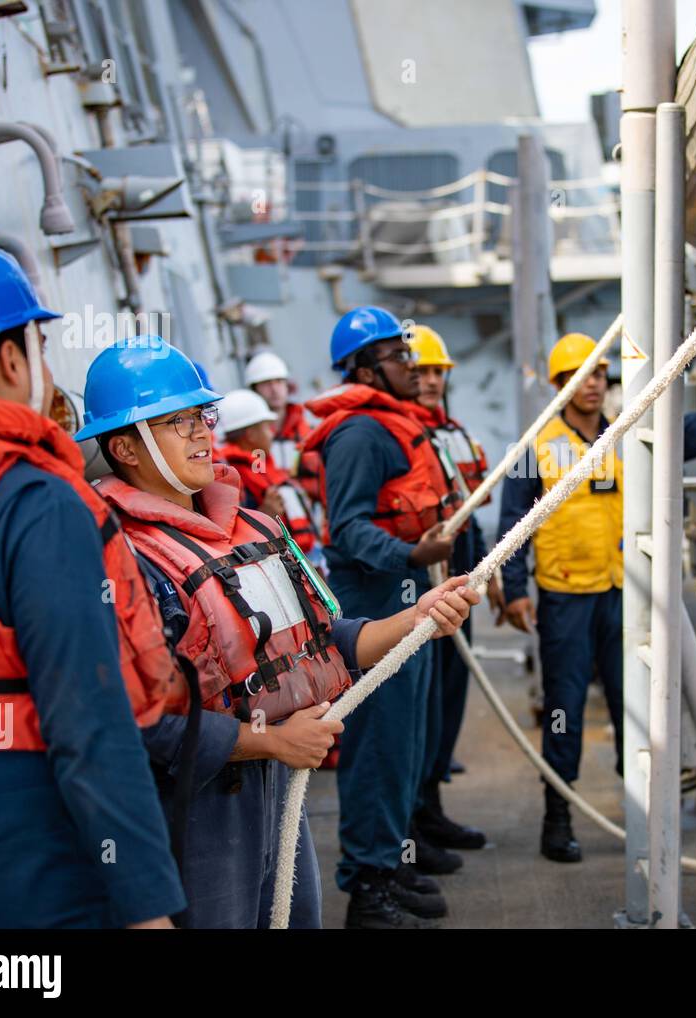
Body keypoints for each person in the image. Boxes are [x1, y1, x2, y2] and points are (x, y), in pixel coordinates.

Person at [76, 336, 478, 929]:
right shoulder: (121, 559)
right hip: (197, 808)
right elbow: (138, 725)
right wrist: (270, 742)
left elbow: (324, 637)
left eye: (199, 416)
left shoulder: (257, 525)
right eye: (174, 421)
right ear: (124, 448)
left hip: (277, 790)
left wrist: (417, 620)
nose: (197, 432)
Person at [0, 239, 188, 928]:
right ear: (11, 358)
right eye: (38, 345)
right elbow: (90, 729)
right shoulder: (35, 502)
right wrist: (148, 907)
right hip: (35, 857)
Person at [496, 332, 696, 863]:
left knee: (632, 703)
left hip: (622, 595)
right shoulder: (534, 450)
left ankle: (640, 812)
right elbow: (511, 524)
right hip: (565, 598)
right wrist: (515, 591)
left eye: (598, 374)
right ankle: (559, 817)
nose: (591, 384)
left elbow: (694, 431)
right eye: (579, 375)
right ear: (559, 384)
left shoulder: (628, 433)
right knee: (564, 709)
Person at [301, 306, 466, 929]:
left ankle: (391, 861)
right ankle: (367, 888)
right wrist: (410, 553)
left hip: (406, 598)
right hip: (373, 604)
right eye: (400, 356)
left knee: (408, 742)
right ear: (367, 368)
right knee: (377, 749)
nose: (412, 365)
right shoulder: (359, 435)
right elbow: (346, 529)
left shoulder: (395, 425)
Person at [408, 324, 505, 850]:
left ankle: (432, 801)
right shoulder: (402, 434)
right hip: (427, 568)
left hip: (462, 558)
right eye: (419, 371)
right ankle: (415, 816)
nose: (429, 381)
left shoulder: (458, 435)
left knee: (449, 692)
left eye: (436, 372)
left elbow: (474, 508)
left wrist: (493, 574)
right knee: (422, 699)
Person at [215, 387, 317, 553]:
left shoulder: (261, 465)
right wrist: (263, 516)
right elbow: (229, 542)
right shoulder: (230, 479)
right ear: (250, 435)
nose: (271, 434)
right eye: (266, 428)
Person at [245, 349, 318, 493]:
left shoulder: (306, 430)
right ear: (254, 390)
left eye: (278, 381)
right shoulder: (251, 438)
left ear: (287, 385)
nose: (274, 389)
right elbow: (255, 479)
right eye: (266, 383)